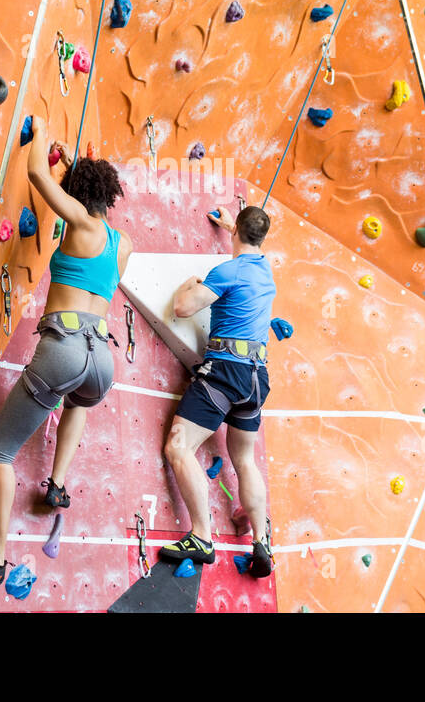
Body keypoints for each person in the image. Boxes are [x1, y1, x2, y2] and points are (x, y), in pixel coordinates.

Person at [0, 116, 132, 587]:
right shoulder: (122, 243)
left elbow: (36, 176)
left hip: (63, 346)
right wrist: (76, 165)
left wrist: (42, 132)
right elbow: (91, 209)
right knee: (77, 403)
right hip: (101, 362)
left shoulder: (80, 223)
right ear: (108, 196)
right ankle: (58, 483)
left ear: (79, 194)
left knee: (0, 452)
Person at [159, 204, 277, 577]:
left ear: (239, 230)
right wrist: (234, 226)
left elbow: (182, 307)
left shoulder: (227, 271)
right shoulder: (265, 271)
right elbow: (249, 247)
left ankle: (201, 536)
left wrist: (189, 284)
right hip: (257, 378)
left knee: (179, 446)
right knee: (244, 460)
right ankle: (262, 542)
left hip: (226, 371)